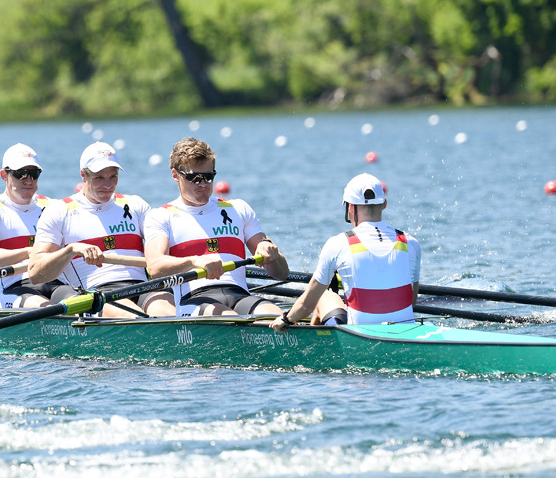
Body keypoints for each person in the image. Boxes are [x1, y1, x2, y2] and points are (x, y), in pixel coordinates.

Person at [144, 137, 288, 316]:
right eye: (194, 178)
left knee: (275, 315)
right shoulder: (161, 216)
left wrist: (271, 253)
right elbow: (155, 268)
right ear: (175, 175)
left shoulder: (238, 209)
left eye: (208, 177)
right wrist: (194, 261)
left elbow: (282, 273)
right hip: (194, 299)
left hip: (240, 295)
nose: (203, 184)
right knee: (229, 317)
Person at [29, 141, 174, 318]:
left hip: (144, 288)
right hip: (98, 294)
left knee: (168, 313)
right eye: (99, 178)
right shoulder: (60, 211)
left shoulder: (136, 205)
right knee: (134, 317)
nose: (108, 185)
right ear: (83, 175)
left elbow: (162, 248)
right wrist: (70, 250)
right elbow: (35, 273)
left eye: (113, 176)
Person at [271, 173, 421, 332]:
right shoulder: (410, 243)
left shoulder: (338, 244)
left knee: (325, 295)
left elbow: (306, 306)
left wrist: (285, 319)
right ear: (384, 204)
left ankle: (315, 342)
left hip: (360, 338)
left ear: (350, 207)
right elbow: (411, 302)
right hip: (405, 334)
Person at [0, 143, 64, 308]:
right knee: (49, 308)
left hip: (57, 283)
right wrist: (28, 252)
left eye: (34, 174)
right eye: (21, 174)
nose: (28, 180)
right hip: (15, 287)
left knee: (83, 307)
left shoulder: (53, 207)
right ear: (4, 175)